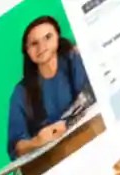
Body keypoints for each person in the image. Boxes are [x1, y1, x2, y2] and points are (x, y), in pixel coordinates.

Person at [7, 16, 91, 160]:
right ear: (27, 51)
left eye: (47, 37)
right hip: (55, 158)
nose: (42, 47)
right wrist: (37, 141)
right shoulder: (21, 93)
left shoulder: (76, 59)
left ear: (57, 36)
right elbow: (16, 147)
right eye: (34, 43)